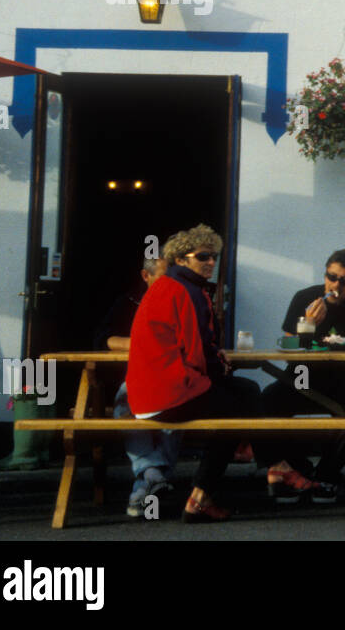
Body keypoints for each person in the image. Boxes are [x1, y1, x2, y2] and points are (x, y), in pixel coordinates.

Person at [126, 224, 263, 523]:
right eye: (203, 256)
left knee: (248, 392)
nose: (211, 262)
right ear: (182, 259)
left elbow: (194, 346)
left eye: (214, 256)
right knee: (239, 411)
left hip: (149, 394)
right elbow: (198, 349)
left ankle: (253, 453)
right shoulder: (187, 291)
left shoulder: (167, 285)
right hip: (170, 393)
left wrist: (218, 366)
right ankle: (201, 498)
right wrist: (221, 368)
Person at [261, 248, 345, 504]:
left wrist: (336, 345)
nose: (336, 285)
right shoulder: (305, 297)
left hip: (343, 378)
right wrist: (308, 324)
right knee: (267, 401)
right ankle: (297, 470)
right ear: (325, 273)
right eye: (331, 276)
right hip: (302, 376)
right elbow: (289, 343)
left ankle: (326, 474)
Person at [98, 253, 183, 517]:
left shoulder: (180, 303)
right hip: (134, 378)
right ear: (146, 276)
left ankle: (146, 479)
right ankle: (154, 474)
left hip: (171, 380)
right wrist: (144, 343)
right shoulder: (128, 303)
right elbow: (104, 339)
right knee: (126, 403)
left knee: (178, 404)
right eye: (163, 275)